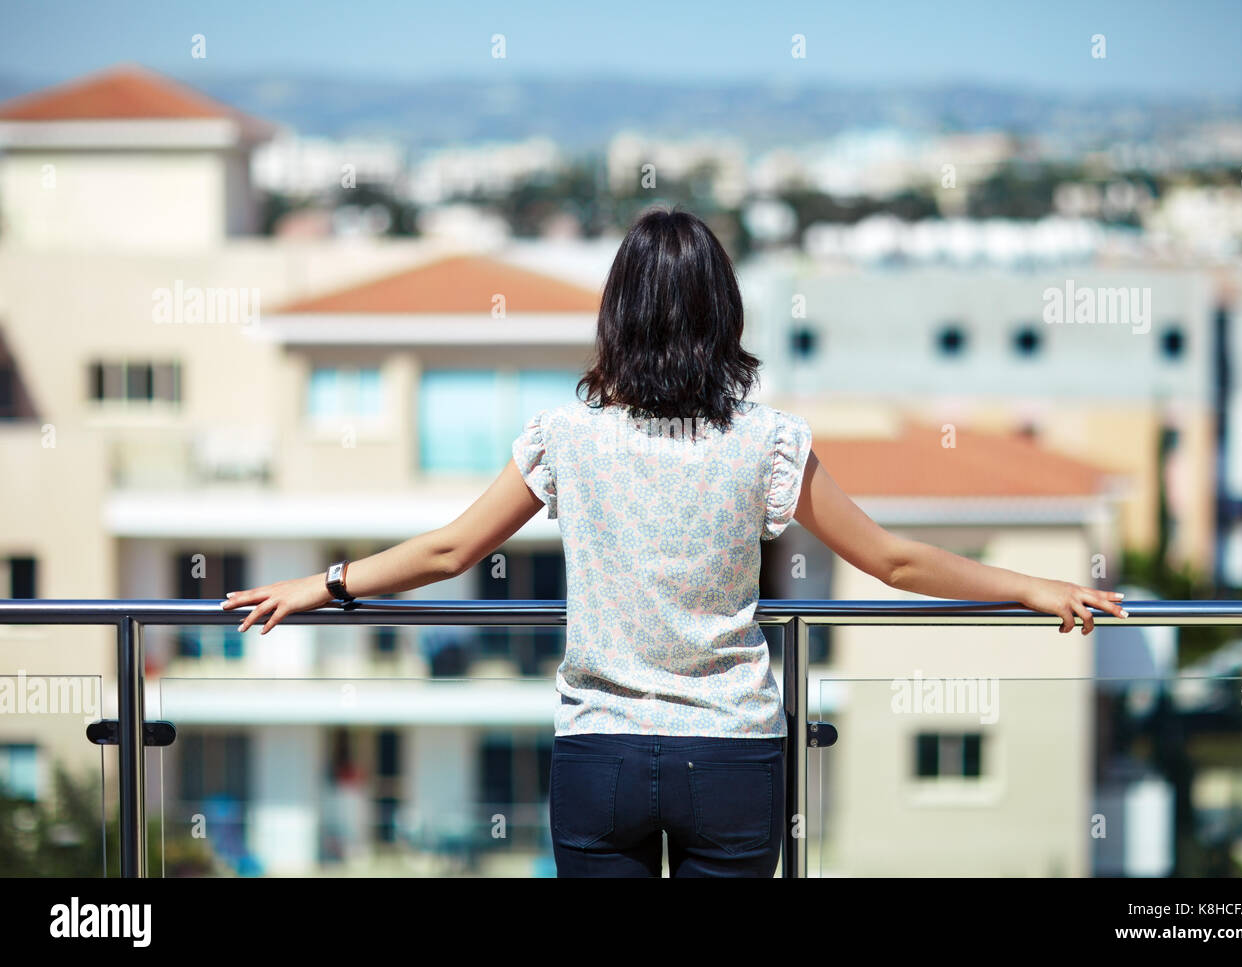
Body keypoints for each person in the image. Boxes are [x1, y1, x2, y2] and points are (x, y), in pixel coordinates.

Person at [222, 204, 1127, 877]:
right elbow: (889, 559)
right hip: (731, 755)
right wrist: (1034, 588)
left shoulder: (563, 435)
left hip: (601, 752)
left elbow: (451, 552)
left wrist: (324, 583)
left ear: (618, 314)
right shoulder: (767, 441)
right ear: (721, 312)